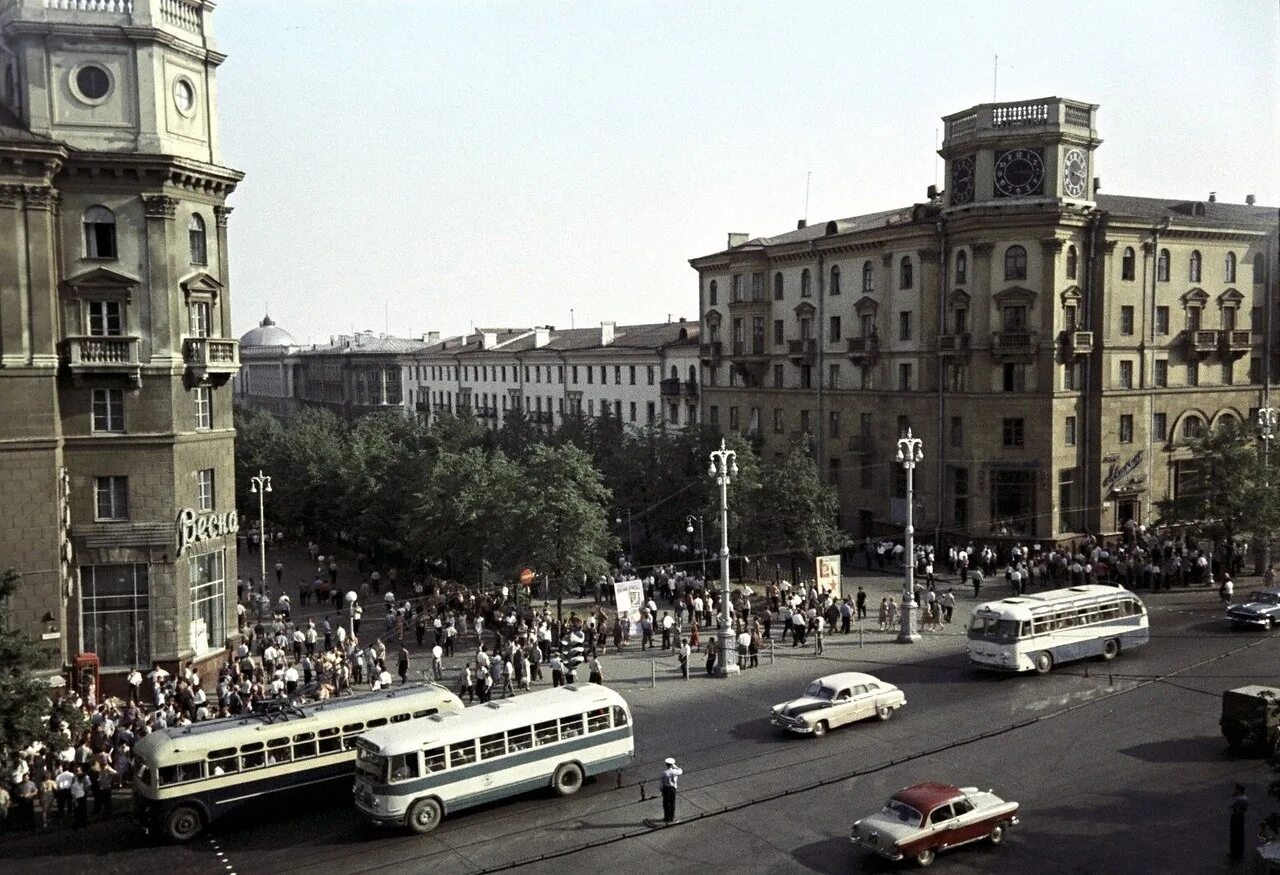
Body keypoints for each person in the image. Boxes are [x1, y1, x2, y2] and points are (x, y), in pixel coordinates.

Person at [660, 757, 683, 824]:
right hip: (673, 788)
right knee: (672, 803)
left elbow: (661, 782)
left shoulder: (664, 773)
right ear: (672, 764)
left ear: (666, 764)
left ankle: (667, 818)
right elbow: (681, 771)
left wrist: (661, 790)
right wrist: (675, 766)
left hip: (666, 788)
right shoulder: (675, 772)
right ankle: (671, 817)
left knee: (666, 803)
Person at [1229, 783, 1248, 861]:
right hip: (1238, 817)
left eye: (1235, 789)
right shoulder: (1242, 797)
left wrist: (1233, 796)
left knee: (1236, 836)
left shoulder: (1240, 798)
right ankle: (1236, 853)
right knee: (1237, 836)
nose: (1234, 790)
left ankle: (1236, 855)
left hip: (1237, 818)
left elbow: (1231, 805)